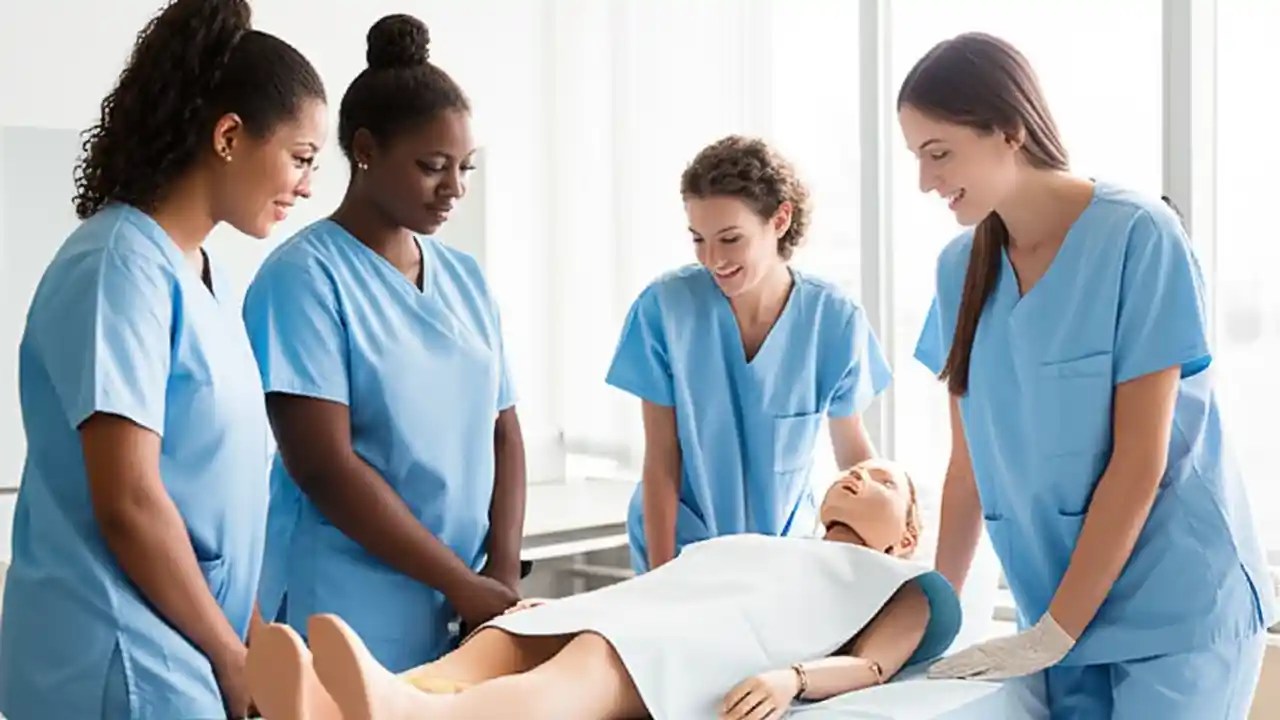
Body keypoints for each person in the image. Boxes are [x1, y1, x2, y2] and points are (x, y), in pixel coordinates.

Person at [899, 32, 1275, 717]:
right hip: (1055, 615)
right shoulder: (959, 270)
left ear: (1008, 131)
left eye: (939, 152)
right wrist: (930, 630)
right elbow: (968, 472)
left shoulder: (1139, 235)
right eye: (917, 157)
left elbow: (1139, 459)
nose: (925, 180)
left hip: (1175, 610)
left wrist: (1055, 633)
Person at [0, 2, 327, 718]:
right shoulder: (118, 266)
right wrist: (231, 656)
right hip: (116, 654)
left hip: (184, 647)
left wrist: (255, 645)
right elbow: (131, 502)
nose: (308, 185)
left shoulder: (202, 277)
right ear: (229, 136)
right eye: (302, 158)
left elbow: (209, 504)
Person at [241, 13, 526, 676]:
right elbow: (325, 469)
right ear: (365, 150)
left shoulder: (465, 278)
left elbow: (504, 428)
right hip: (344, 605)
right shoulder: (303, 279)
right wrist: (462, 583)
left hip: (464, 607)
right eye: (432, 166)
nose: (454, 188)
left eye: (465, 168)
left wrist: (501, 576)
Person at [246, 460, 962, 720]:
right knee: (504, 639)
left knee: (591, 658)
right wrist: (574, 605)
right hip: (644, 611)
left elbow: (875, 666)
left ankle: (406, 716)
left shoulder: (901, 581)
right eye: (851, 470)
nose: (856, 477)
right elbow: (669, 585)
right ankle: (345, 705)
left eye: (883, 481)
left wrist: (791, 679)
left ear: (905, 534)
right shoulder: (766, 545)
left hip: (688, 647)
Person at [606, 136, 893, 573]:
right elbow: (662, 458)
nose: (712, 259)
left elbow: (851, 450)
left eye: (730, 238)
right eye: (698, 239)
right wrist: (662, 579)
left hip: (782, 552)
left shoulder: (832, 320)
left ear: (779, 220)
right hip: (681, 544)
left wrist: (888, 537)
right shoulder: (665, 309)